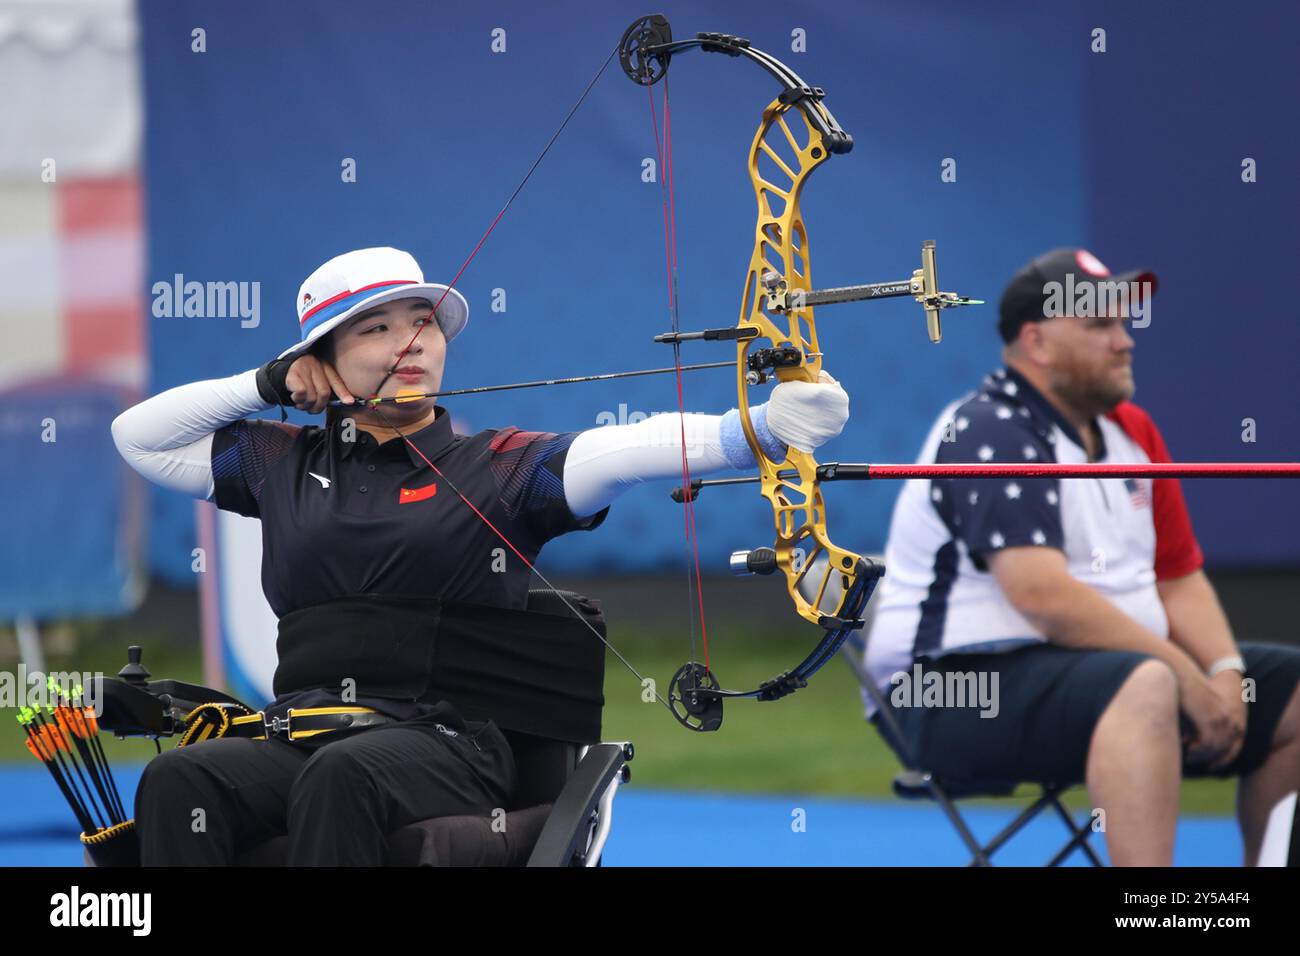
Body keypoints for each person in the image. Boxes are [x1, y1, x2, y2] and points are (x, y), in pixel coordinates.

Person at [111, 245, 851, 865]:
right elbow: (137, 436)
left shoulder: (494, 466)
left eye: (423, 323)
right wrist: (263, 384)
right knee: (181, 780)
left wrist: (754, 429)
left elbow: (617, 452)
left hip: (448, 746)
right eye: (375, 329)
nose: (411, 343)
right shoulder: (281, 462)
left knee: (344, 775)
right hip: (305, 731)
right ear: (322, 360)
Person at [863, 247, 1300, 866]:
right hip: (944, 693)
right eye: (1099, 326)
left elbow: (1177, 578)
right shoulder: (990, 430)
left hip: (1098, 679)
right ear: (1037, 343)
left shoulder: (1133, 432)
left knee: (1287, 694)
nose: (1125, 341)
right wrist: (1180, 672)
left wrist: (1226, 674)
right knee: (1145, 683)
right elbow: (1043, 598)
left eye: (1123, 324)